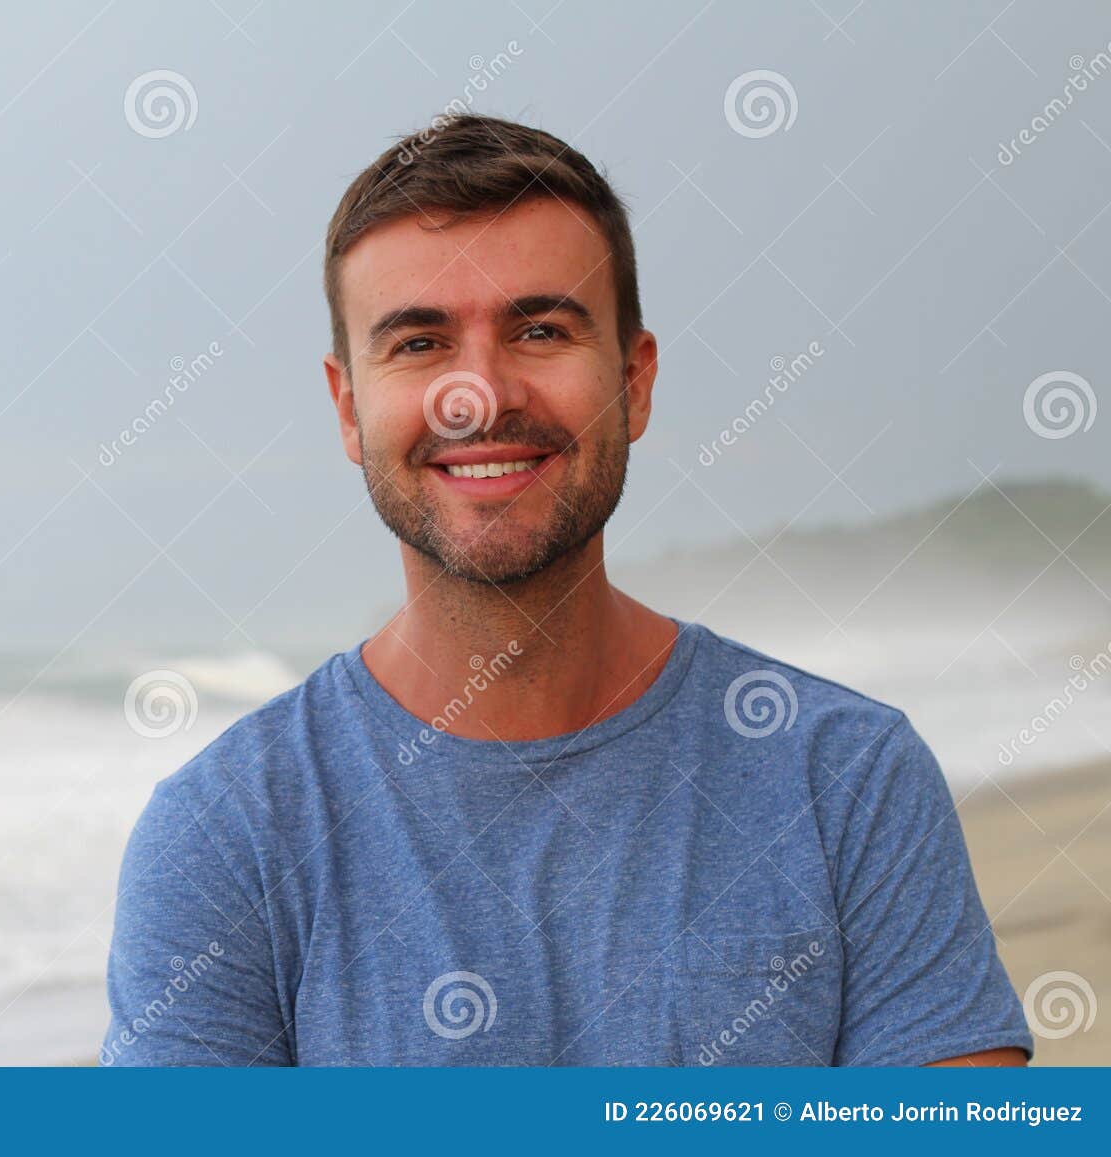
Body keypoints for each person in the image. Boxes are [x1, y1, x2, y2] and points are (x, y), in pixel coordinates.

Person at [100, 114, 1032, 1067]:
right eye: (419, 343)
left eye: (539, 329)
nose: (479, 395)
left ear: (634, 378)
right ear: (349, 406)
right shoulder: (225, 837)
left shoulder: (844, 781)